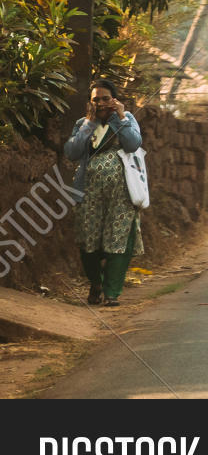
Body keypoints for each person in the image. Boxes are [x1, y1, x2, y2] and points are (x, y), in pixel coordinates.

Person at [63, 80, 144, 307]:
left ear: (114, 100)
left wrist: (119, 118)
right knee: (88, 241)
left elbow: (132, 144)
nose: (100, 103)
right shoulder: (83, 123)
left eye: (105, 98)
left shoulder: (126, 119)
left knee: (118, 240)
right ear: (90, 103)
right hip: (88, 192)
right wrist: (89, 124)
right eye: (95, 99)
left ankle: (111, 293)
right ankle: (96, 283)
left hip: (122, 194)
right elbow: (72, 151)